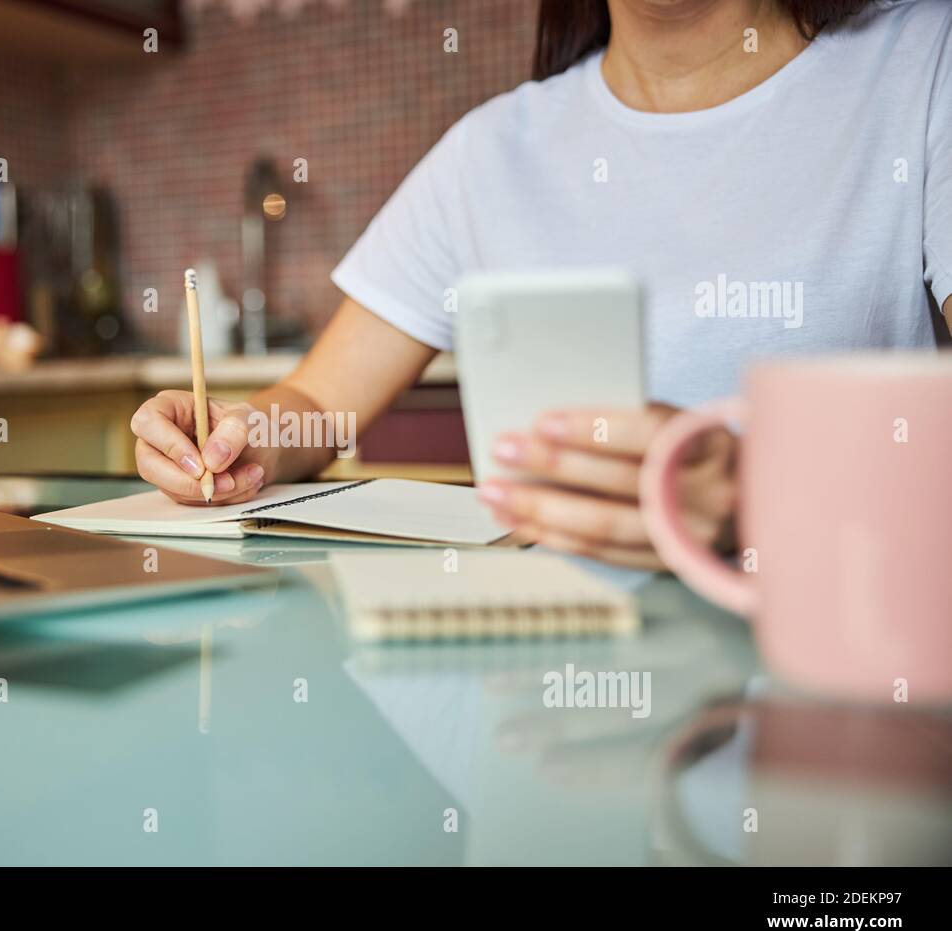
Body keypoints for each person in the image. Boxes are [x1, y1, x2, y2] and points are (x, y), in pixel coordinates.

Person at [130, 0, 952, 570]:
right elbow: (315, 403)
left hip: (830, 661)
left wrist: (765, 494)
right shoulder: (489, 152)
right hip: (550, 670)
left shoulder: (921, 62)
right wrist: (238, 440)